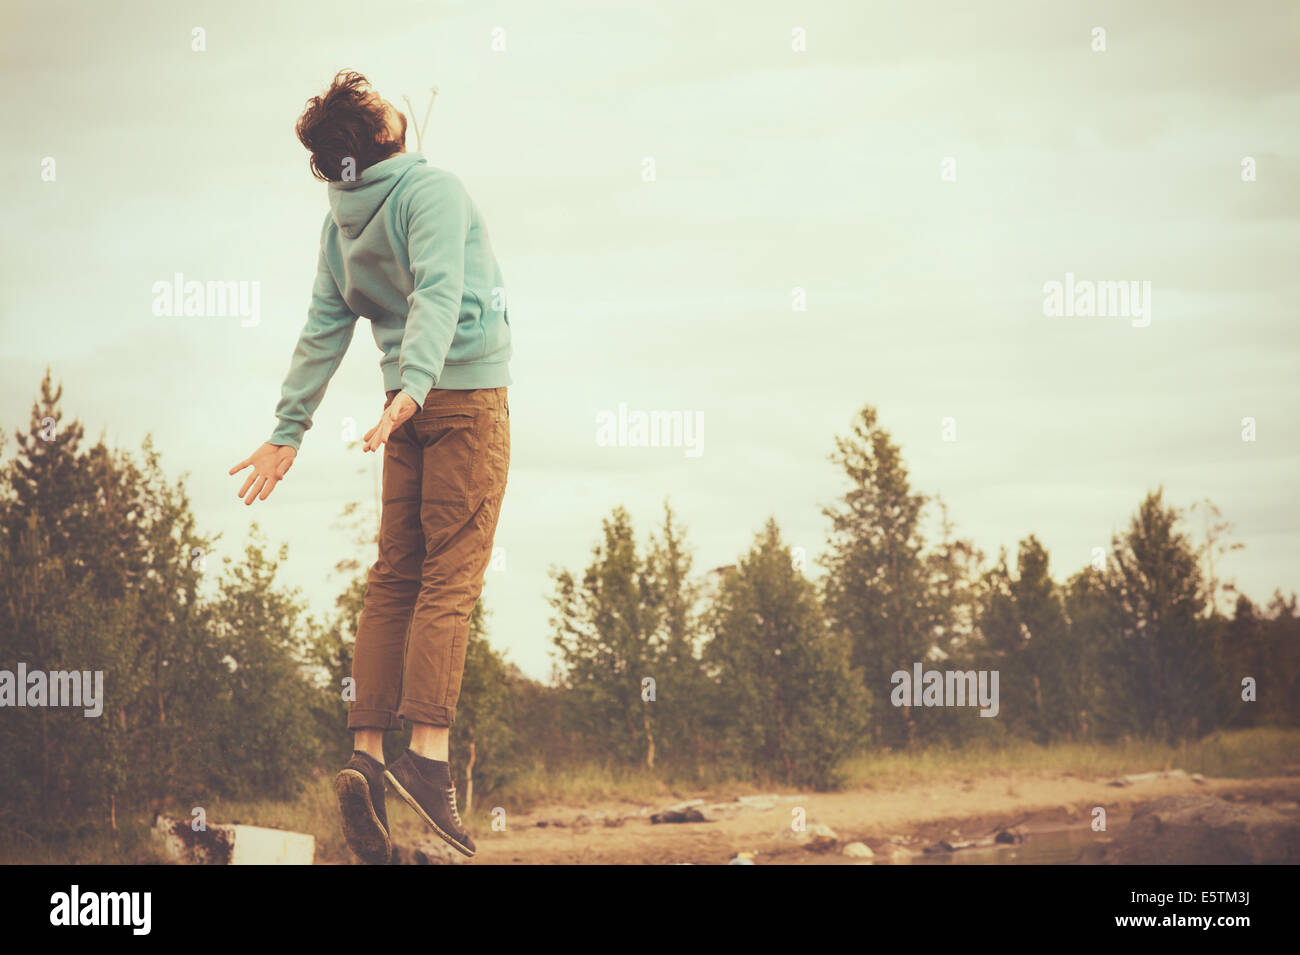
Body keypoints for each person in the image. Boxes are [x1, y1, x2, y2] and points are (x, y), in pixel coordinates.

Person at [228, 70, 512, 864]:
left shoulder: (341, 220)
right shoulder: (433, 192)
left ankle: (367, 752)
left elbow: (324, 325)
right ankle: (425, 750)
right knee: (451, 577)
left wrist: (289, 427)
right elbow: (440, 292)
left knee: (395, 575)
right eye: (385, 102)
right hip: (454, 402)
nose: (398, 100)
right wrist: (418, 388)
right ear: (381, 132)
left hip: (404, 411)